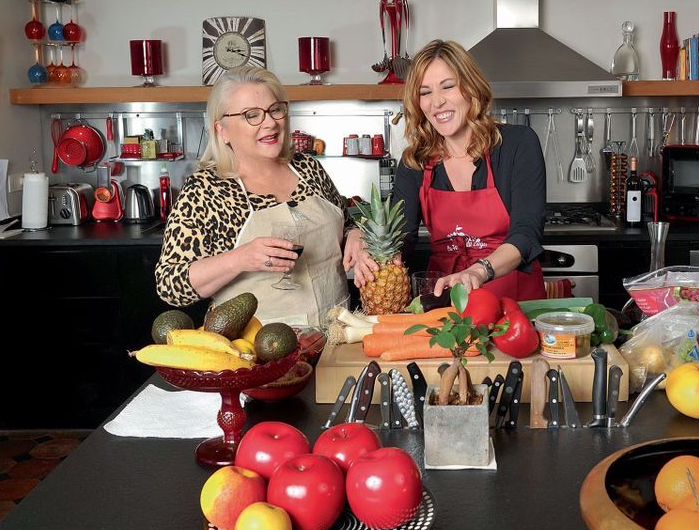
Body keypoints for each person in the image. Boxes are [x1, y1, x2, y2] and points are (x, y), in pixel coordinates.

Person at [155, 67, 366, 325]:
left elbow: (346, 221)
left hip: (338, 332)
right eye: (251, 115)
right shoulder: (205, 189)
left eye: (275, 109)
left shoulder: (307, 167)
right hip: (261, 351)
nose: (270, 122)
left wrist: (355, 233)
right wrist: (239, 259)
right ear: (222, 129)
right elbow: (170, 285)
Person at [371, 39, 547, 299]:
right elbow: (402, 238)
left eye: (448, 86)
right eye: (425, 92)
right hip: (445, 303)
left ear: (471, 88)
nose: (437, 102)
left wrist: (479, 270)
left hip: (513, 304)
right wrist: (373, 255)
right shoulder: (415, 161)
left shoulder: (517, 144)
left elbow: (526, 234)